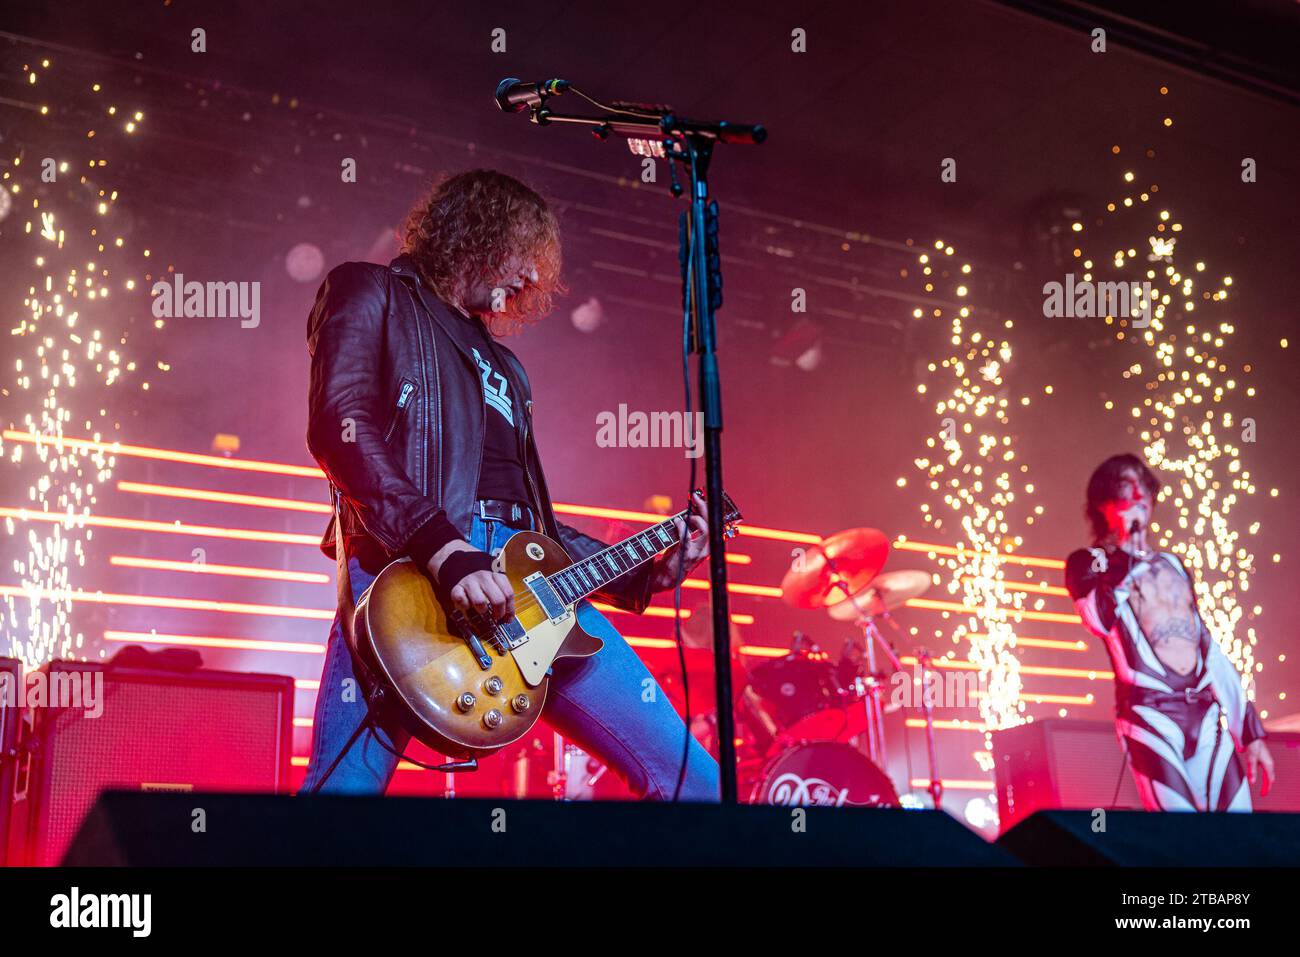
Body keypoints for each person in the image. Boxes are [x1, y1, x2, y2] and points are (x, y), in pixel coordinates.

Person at [300, 168, 719, 800]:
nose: (531, 279)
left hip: (532, 590)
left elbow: (535, 529)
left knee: (695, 782)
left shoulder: (508, 368)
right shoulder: (372, 291)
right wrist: (445, 548)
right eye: (524, 255)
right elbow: (342, 426)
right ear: (474, 234)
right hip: (408, 571)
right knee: (340, 802)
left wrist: (647, 570)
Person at [1063, 453, 1273, 811]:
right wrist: (1126, 553)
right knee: (1181, 836)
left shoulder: (1173, 564)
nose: (1137, 494)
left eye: (1142, 485)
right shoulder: (1089, 561)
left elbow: (1207, 647)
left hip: (1205, 714)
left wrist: (1248, 732)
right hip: (1150, 713)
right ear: (1103, 503)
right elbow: (1098, 620)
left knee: (1239, 832)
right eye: (1124, 487)